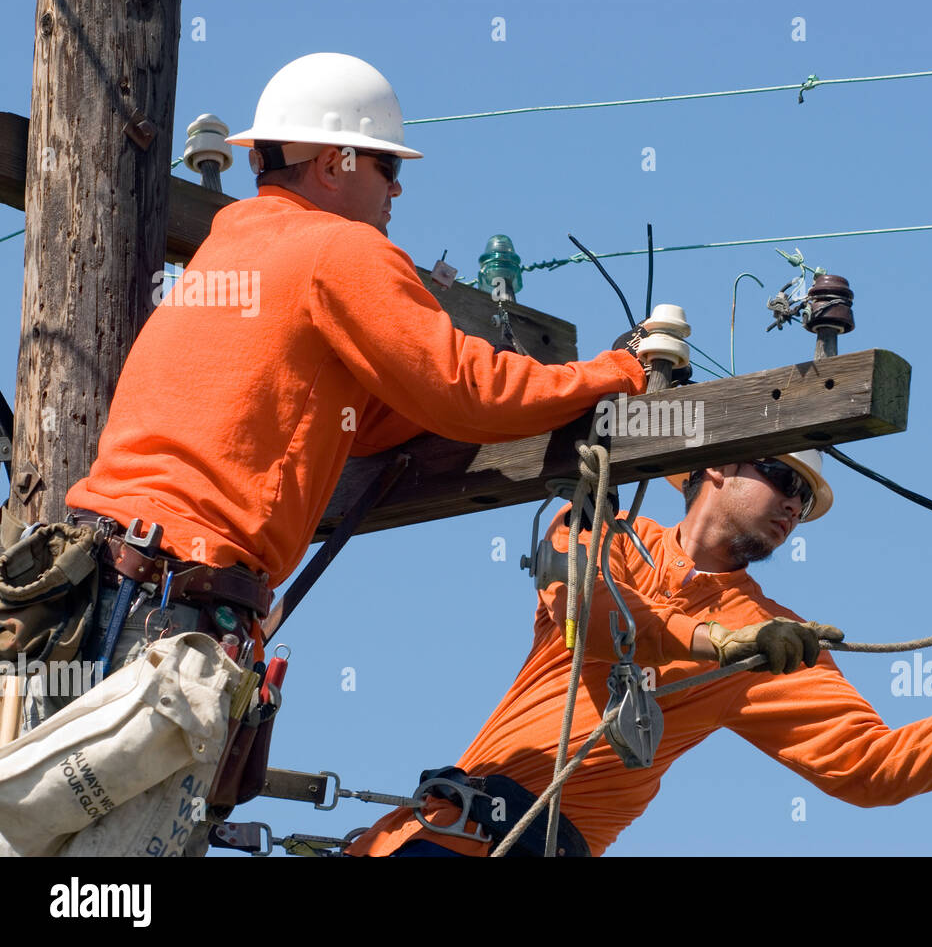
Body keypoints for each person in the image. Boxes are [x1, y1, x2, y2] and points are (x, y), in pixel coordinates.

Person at [4, 52, 644, 854]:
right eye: (386, 165)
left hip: (78, 599)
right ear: (337, 161)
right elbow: (463, 387)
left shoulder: (227, 248)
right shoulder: (342, 252)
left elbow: (344, 414)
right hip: (165, 610)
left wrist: (420, 401)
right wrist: (615, 373)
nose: (397, 189)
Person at [348, 450, 932, 857]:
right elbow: (590, 605)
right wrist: (712, 642)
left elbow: (867, 769)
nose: (793, 507)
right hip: (430, 830)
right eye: (781, 479)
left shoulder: (773, 640)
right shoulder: (616, 535)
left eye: (803, 503)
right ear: (715, 466)